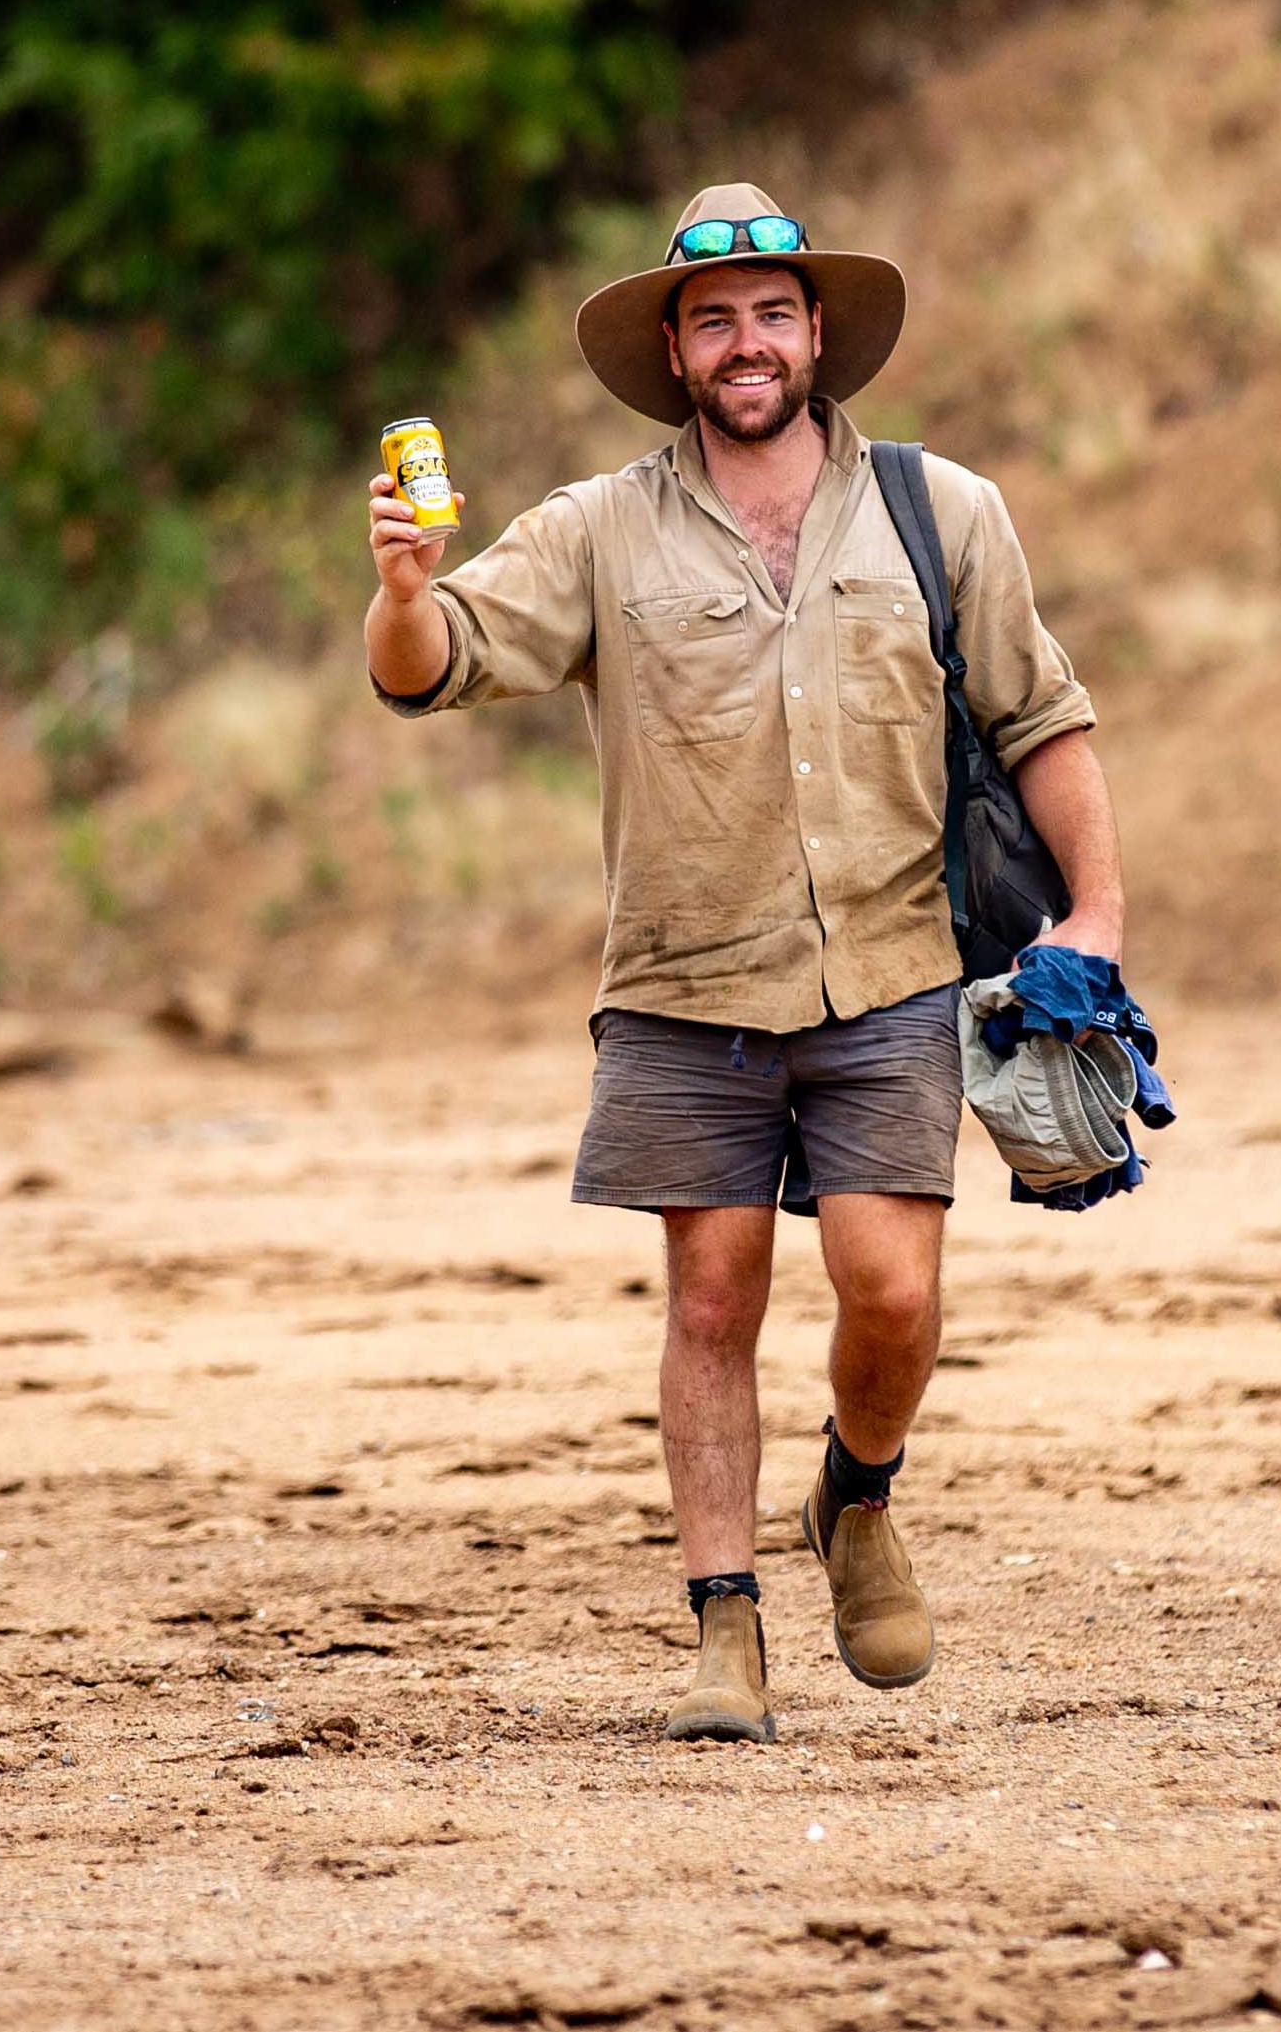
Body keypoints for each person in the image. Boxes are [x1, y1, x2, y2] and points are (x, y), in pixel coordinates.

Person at [361, 182, 1124, 1743]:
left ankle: (856, 1495)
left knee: (891, 1292)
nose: (748, 339)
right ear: (676, 348)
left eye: (774, 311)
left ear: (819, 334)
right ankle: (725, 1631)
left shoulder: (943, 509)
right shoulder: (596, 528)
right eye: (716, 319)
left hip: (899, 964)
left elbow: (1043, 714)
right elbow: (437, 669)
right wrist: (397, 592)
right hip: (681, 981)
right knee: (713, 1296)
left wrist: (1097, 919)